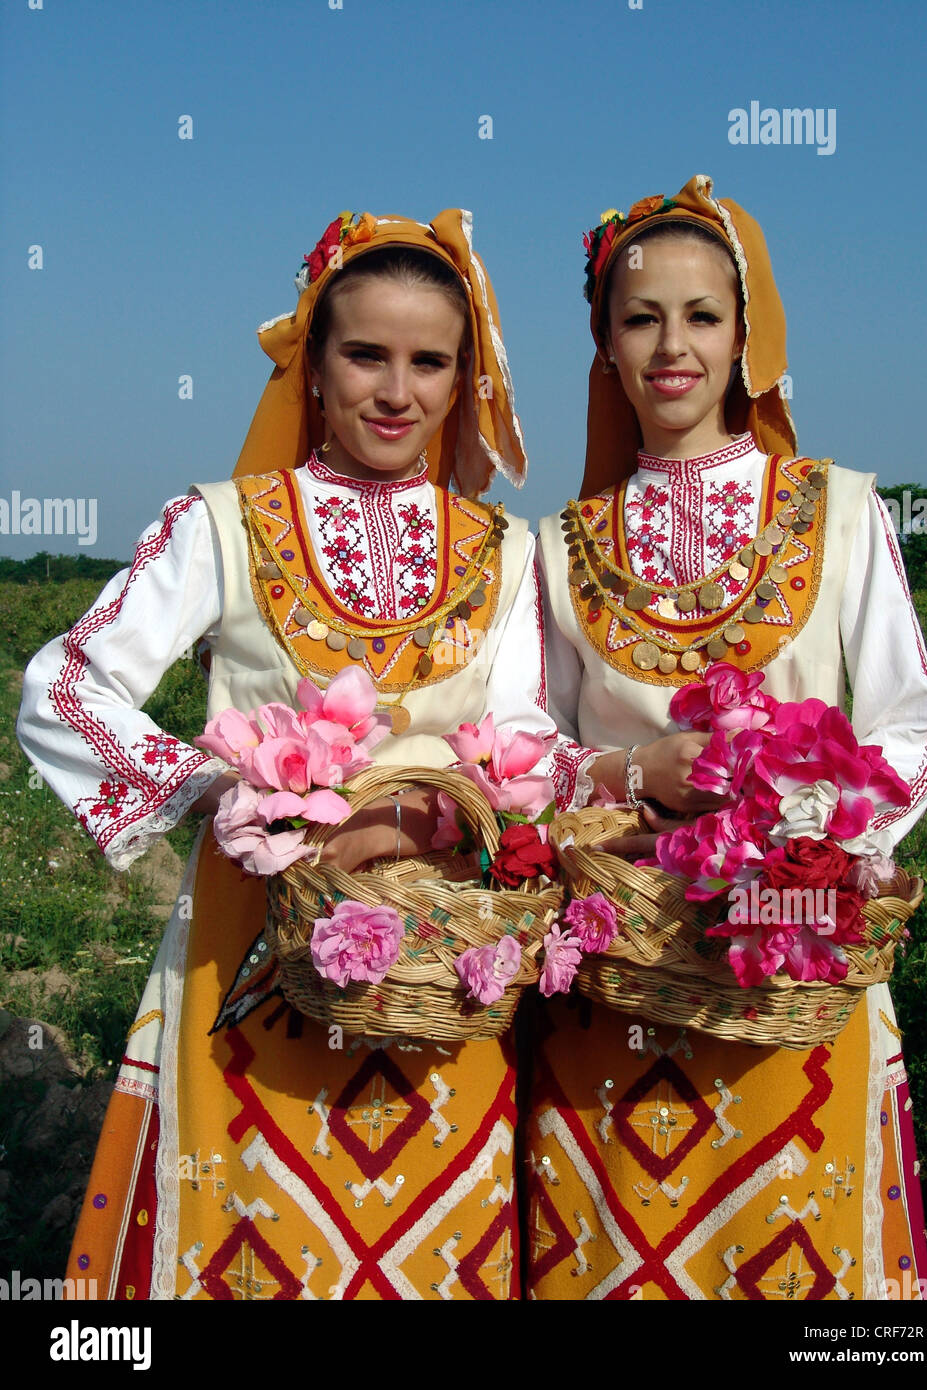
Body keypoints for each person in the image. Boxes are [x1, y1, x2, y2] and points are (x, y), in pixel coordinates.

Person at [17, 208, 554, 1301]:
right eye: (364, 353)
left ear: (464, 382)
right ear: (310, 367)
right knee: (245, 1232)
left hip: (437, 963)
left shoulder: (506, 554)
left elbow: (528, 733)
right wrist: (230, 787)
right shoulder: (221, 524)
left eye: (428, 361)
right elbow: (65, 685)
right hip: (254, 944)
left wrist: (429, 811)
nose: (395, 391)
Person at [530, 174, 927, 1300]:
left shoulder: (838, 508)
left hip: (794, 964)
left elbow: (913, 719)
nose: (670, 346)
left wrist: (800, 834)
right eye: (638, 317)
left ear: (744, 335)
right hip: (614, 985)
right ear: (604, 342)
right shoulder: (557, 544)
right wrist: (630, 775)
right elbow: (524, 739)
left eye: (700, 315)